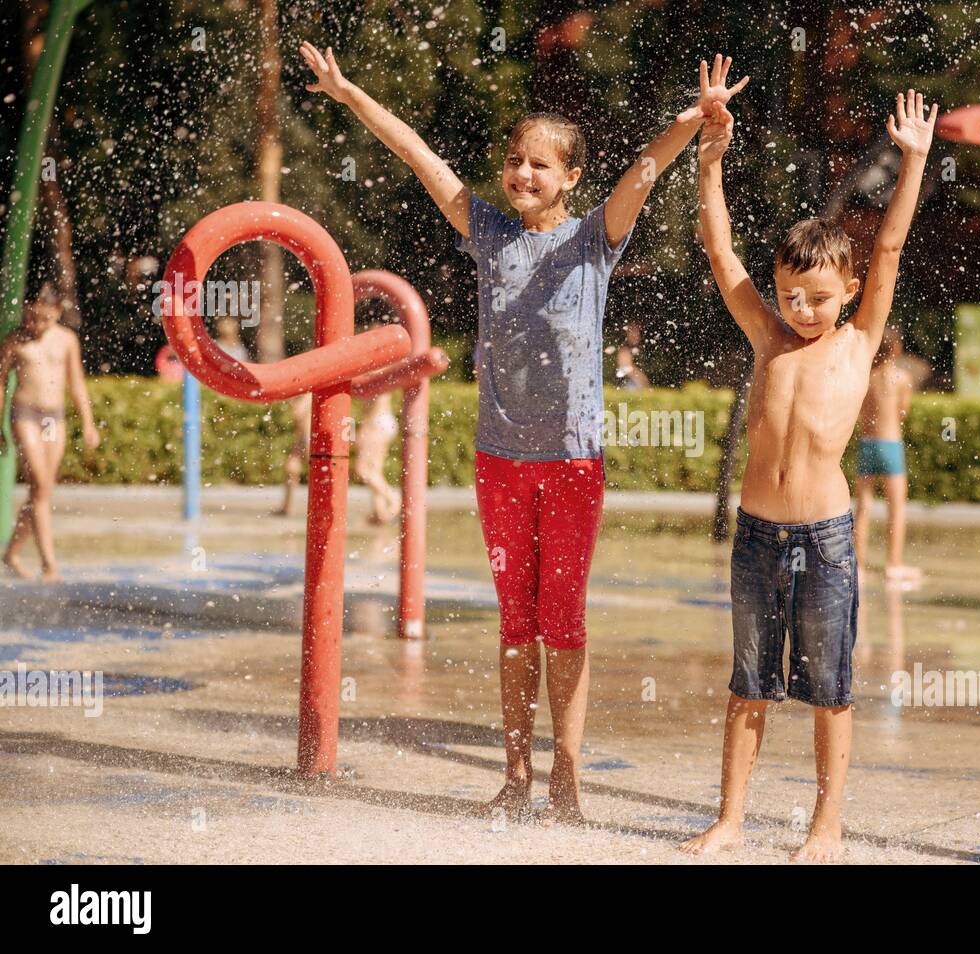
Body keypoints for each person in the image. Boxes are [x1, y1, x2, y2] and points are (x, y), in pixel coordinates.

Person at [301, 43, 749, 823]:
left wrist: (687, 124)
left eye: (541, 166)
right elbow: (418, 153)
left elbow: (643, 173)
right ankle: (514, 776)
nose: (523, 175)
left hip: (571, 464)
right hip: (498, 461)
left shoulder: (593, 242)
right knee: (515, 623)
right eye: (514, 161)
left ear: (572, 177)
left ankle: (566, 781)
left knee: (561, 623)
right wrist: (350, 94)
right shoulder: (488, 233)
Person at [680, 91, 936, 861]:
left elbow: (887, 248)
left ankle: (827, 825)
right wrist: (711, 158)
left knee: (829, 688)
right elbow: (720, 250)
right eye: (790, 293)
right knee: (747, 684)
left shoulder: (857, 344)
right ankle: (731, 818)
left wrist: (914, 160)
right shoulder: (766, 335)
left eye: (818, 297)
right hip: (757, 539)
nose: (801, 307)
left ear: (850, 294)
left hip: (824, 542)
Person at [1, 283, 101, 581]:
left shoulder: (66, 340)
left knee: (42, 491)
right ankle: (50, 565)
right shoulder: (15, 340)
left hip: (53, 417)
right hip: (26, 415)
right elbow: (2, 382)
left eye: (43, 319)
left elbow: (77, 383)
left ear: (57, 312)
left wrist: (88, 422)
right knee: (40, 484)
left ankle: (11, 553)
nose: (36, 325)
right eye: (31, 318)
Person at [854, 324, 921, 583]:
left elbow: (859, 411)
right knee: (896, 507)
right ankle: (893, 564)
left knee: (863, 507)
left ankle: (859, 566)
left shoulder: (865, 377)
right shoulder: (902, 379)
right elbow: (903, 412)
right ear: (896, 349)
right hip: (891, 445)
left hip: (867, 444)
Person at [354, 390, 401, 525]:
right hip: (385, 419)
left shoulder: (370, 372)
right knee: (375, 472)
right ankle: (380, 513)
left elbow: (372, 405)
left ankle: (393, 498)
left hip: (375, 422)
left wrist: (364, 430)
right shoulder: (380, 373)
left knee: (362, 470)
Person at [274, 392, 311, 517]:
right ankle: (287, 507)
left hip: (310, 438)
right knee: (291, 468)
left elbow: (298, 413)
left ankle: (322, 505)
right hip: (301, 438)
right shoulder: (300, 395)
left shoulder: (309, 395)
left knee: (319, 474)